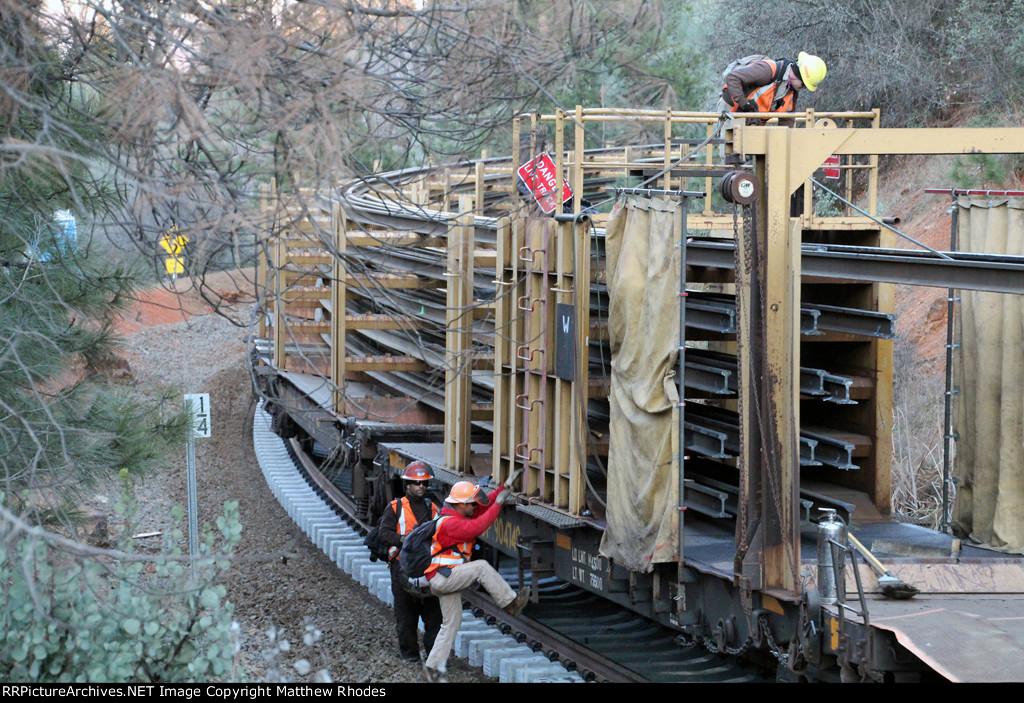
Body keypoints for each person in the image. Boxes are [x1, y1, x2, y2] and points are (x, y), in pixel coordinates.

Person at [421, 481, 529, 683]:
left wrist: (501, 490)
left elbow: (482, 508)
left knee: (451, 623)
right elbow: (477, 526)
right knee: (481, 567)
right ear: (461, 505)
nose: (474, 507)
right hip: (443, 578)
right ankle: (510, 604)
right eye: (471, 504)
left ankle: (432, 671)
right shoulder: (451, 523)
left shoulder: (456, 513)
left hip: (444, 576)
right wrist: (498, 505)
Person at [377, 462, 442, 664]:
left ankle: (433, 655)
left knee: (433, 616)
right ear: (408, 485)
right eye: (416, 483)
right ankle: (411, 655)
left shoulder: (432, 508)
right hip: (401, 568)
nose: (421, 486)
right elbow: (383, 533)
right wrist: (402, 540)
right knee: (405, 615)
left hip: (426, 567)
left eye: (424, 483)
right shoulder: (395, 508)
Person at [719, 52, 827, 124]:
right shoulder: (768, 70)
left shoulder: (791, 92)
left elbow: (787, 119)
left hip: (751, 120)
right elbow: (732, 77)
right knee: (731, 155)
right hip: (730, 108)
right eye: (804, 84)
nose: (803, 88)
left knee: (753, 155)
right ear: (795, 75)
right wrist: (744, 103)